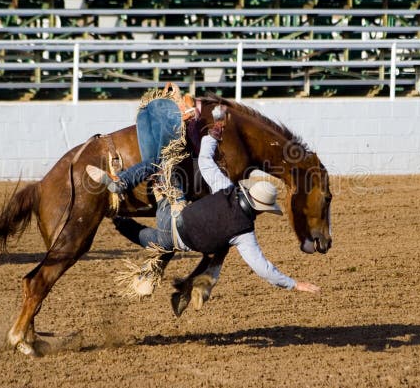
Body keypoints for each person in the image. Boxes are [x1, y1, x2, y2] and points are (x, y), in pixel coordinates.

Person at [98, 104, 321, 315]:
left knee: (162, 163)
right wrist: (294, 284)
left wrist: (216, 129)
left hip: (173, 215)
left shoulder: (227, 190)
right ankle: (117, 219)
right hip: (173, 241)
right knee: (144, 236)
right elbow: (263, 268)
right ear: (262, 210)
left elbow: (205, 161)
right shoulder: (244, 234)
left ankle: (122, 183)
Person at [87, 84, 195, 195]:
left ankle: (123, 181)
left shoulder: (157, 107)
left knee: (154, 162)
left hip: (149, 128)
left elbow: (189, 113)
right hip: (161, 139)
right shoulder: (168, 111)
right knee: (158, 162)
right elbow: (189, 114)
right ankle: (123, 181)